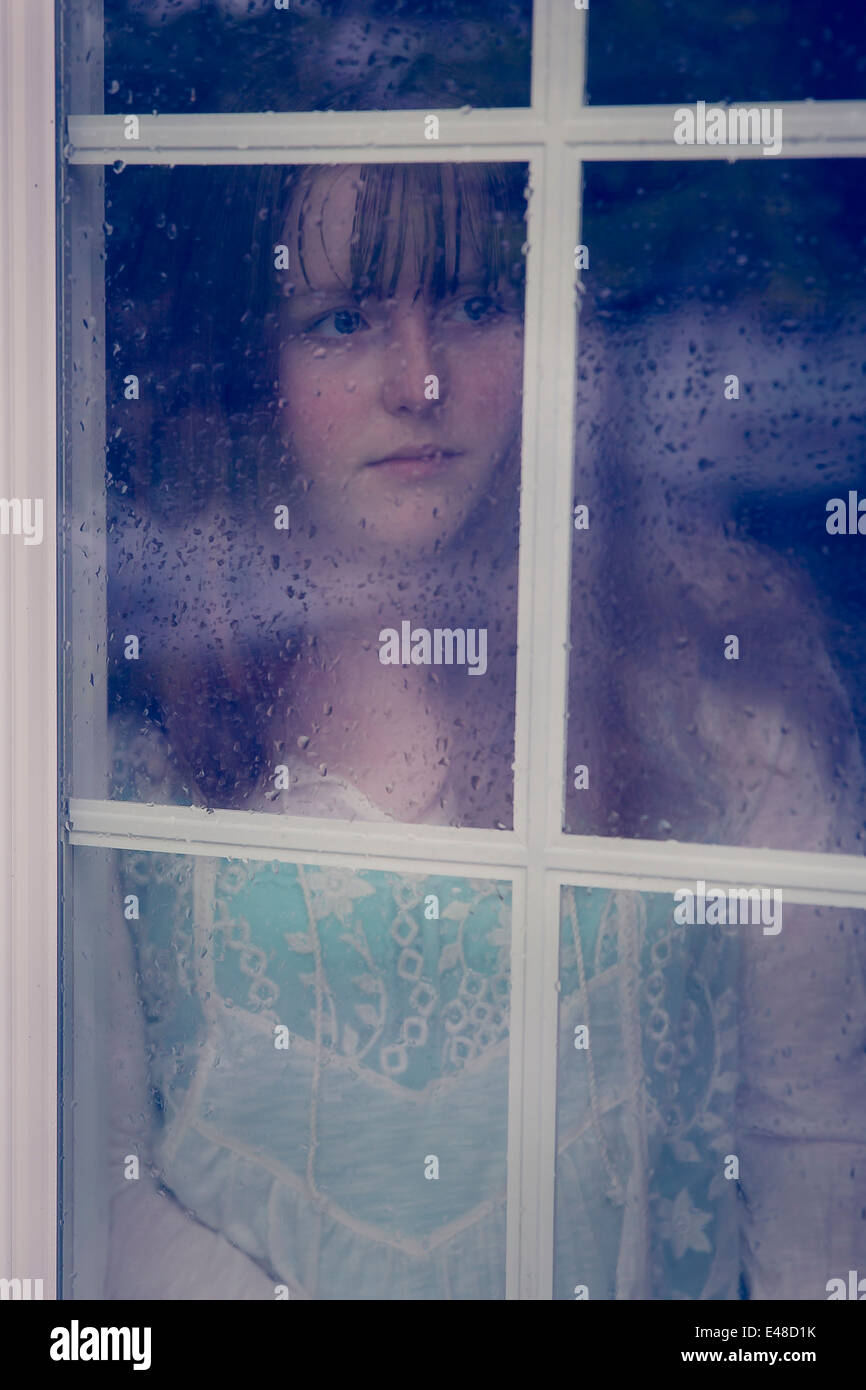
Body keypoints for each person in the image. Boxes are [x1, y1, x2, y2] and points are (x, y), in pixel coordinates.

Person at [102, 160, 866, 1300]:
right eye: (343, 320)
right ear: (250, 364)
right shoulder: (127, 744)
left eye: (472, 303)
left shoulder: (723, 731)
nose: (420, 382)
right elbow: (80, 1179)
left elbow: (816, 1205)